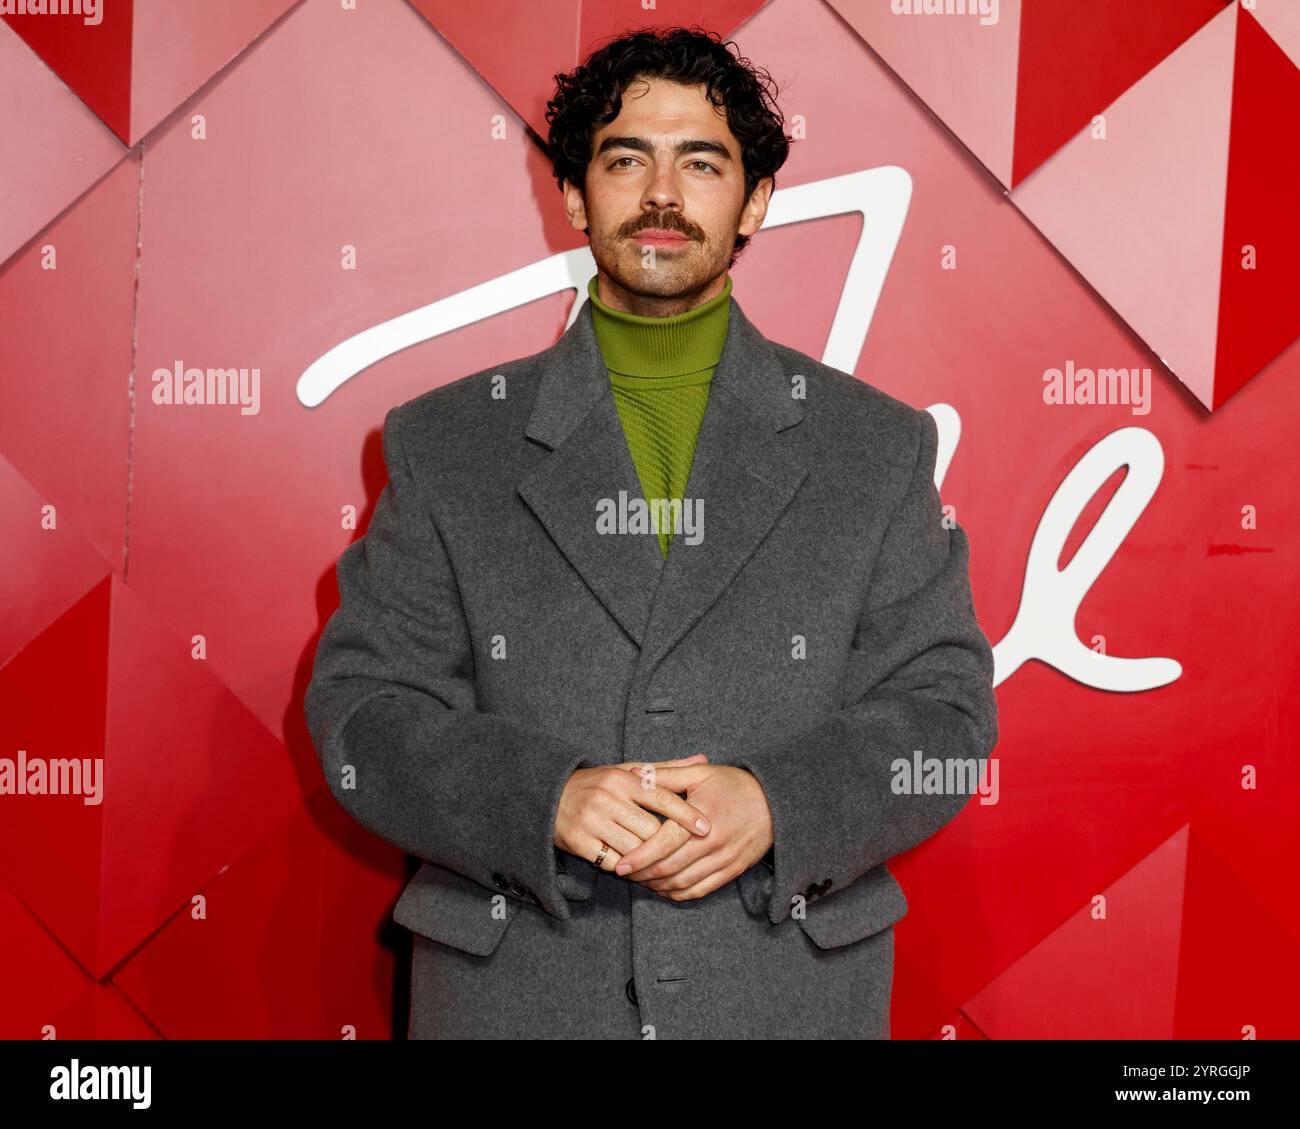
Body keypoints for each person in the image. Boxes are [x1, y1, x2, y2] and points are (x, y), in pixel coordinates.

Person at [304, 25, 998, 1040]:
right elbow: (364, 714)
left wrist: (776, 801)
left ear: (754, 200)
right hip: (522, 996)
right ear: (577, 196)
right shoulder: (445, 442)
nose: (661, 194)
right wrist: (541, 798)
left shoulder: (875, 447)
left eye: (702, 163)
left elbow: (943, 714)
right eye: (626, 159)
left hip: (781, 995)